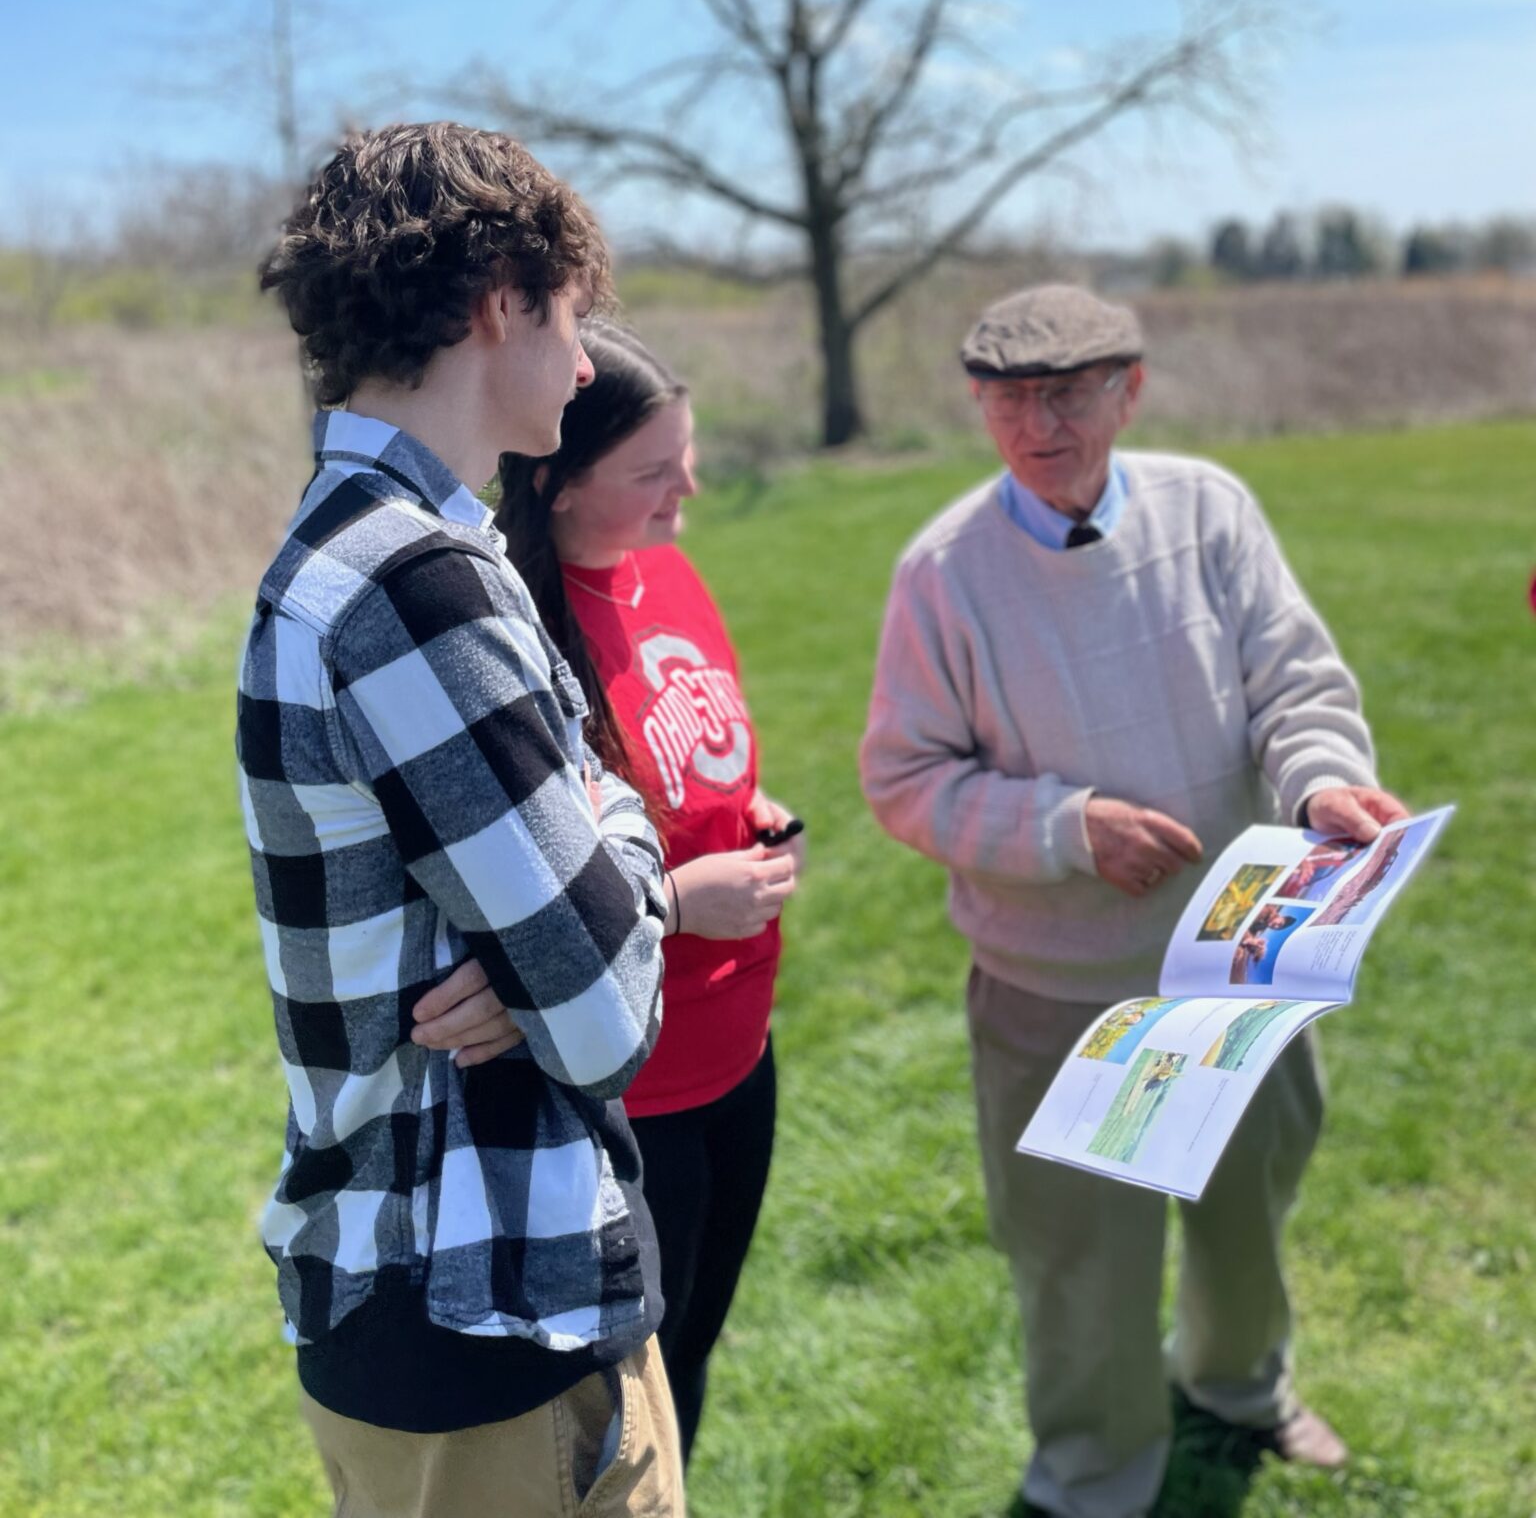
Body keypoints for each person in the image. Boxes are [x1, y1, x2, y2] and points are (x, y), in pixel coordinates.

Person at [860, 284, 1408, 1518]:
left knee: (1246, 1215)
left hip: (1239, 962)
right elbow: (902, 778)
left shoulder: (1208, 508)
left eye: (1067, 391)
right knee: (1079, 1259)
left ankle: (1235, 1385)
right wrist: (1064, 827)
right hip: (1052, 985)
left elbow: (1296, 683)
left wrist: (1323, 781)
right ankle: (1095, 1476)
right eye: (1006, 395)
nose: (1035, 422)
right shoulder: (943, 571)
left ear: (1132, 389)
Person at [237, 122, 683, 1518]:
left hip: (438, 1298)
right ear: (501, 300)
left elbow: (576, 942)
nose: (591, 360)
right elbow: (607, 1012)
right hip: (484, 1311)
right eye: (573, 315)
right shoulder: (410, 581)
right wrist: (627, 847)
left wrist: (590, 874)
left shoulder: (366, 542)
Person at [482, 319, 801, 1465]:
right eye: (654, 471)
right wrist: (678, 893)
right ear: (560, 484)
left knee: (696, 1353)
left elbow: (694, 760)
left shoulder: (665, 570)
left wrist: (746, 816)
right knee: (627, 1397)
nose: (690, 488)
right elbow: (525, 882)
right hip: (631, 1086)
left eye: (690, 454)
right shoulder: (516, 632)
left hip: (739, 1050)